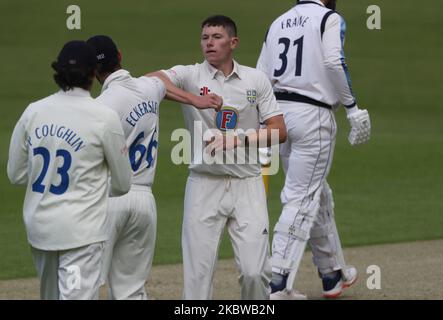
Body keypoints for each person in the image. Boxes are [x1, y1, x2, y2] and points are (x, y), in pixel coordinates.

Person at [148, 15, 287, 300]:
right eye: (204, 37)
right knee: (197, 277)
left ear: (233, 42)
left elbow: (279, 131)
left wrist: (238, 139)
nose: (209, 43)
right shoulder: (190, 75)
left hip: (247, 182)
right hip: (203, 184)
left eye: (216, 37)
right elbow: (151, 81)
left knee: (254, 272)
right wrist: (194, 99)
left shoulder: (255, 79)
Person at [86, 35, 222, 299]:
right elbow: (161, 84)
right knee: (132, 290)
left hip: (107, 199)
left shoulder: (97, 108)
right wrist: (195, 99)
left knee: (86, 285)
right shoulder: (148, 88)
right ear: (121, 56)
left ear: (92, 71)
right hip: (144, 203)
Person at [257, 0, 371, 299]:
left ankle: (332, 273)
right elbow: (335, 62)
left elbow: (260, 73)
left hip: (278, 116)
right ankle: (277, 281)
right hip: (313, 117)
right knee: (301, 197)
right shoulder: (329, 18)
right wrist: (352, 107)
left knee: (315, 191)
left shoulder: (278, 22)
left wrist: (264, 118)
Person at [7, 40, 132, 300]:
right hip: (81, 234)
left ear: (58, 72)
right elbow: (122, 183)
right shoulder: (103, 116)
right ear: (92, 73)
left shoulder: (33, 112)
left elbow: (16, 174)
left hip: (40, 228)